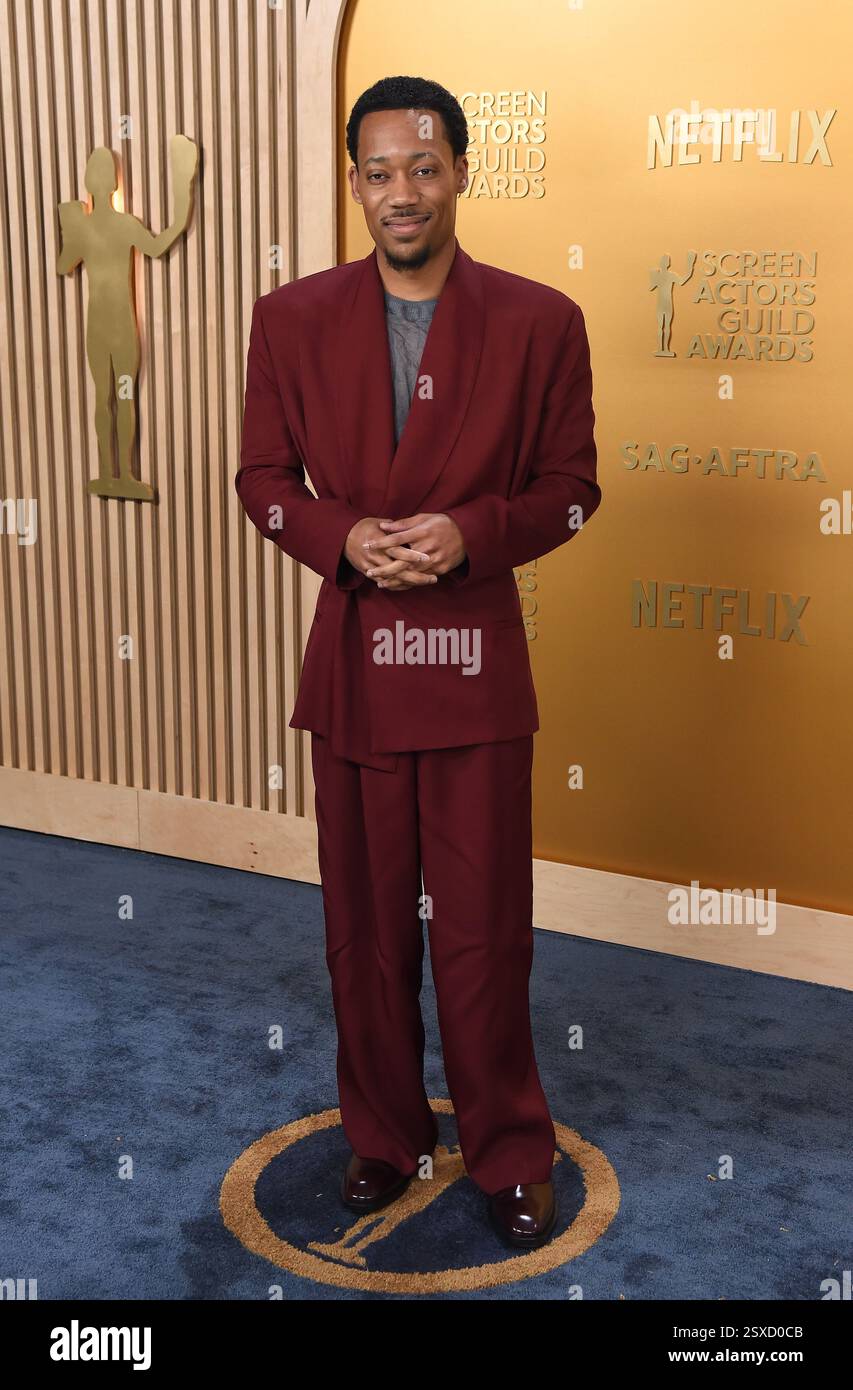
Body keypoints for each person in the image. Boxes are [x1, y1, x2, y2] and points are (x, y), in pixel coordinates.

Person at [235, 75, 601, 1249]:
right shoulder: (289, 317)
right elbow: (261, 480)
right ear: (356, 183)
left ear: (458, 172)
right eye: (380, 171)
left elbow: (573, 491)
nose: (403, 192)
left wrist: (473, 532)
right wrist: (340, 535)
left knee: (487, 926)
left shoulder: (540, 320)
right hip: (354, 659)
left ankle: (507, 1146)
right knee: (366, 924)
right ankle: (385, 1136)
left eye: (424, 167)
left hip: (474, 660)